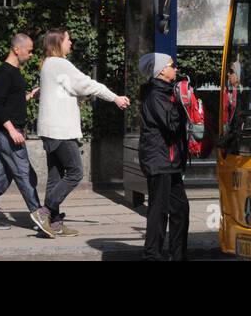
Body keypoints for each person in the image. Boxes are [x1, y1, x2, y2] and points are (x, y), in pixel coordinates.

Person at [36, 27, 130, 236]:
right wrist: (114, 97)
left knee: (55, 176)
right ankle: (45, 211)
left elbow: (67, 91)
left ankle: (51, 225)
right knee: (76, 172)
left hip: (49, 129)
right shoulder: (60, 64)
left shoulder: (48, 65)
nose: (71, 43)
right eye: (68, 39)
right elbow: (86, 84)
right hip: (61, 130)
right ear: (58, 42)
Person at [0, 33, 53, 235]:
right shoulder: (5, 72)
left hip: (8, 132)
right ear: (16, 49)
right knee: (25, 175)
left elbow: (11, 101)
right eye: (28, 51)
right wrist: (12, 130)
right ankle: (41, 217)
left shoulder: (14, 72)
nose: (30, 55)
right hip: (9, 133)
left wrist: (29, 95)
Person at [138, 52, 190, 261]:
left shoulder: (166, 92)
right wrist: (183, 104)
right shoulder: (155, 95)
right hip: (160, 160)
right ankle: (152, 255)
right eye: (171, 65)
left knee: (180, 209)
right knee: (159, 212)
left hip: (169, 161)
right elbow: (171, 124)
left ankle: (178, 255)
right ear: (161, 71)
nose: (175, 69)